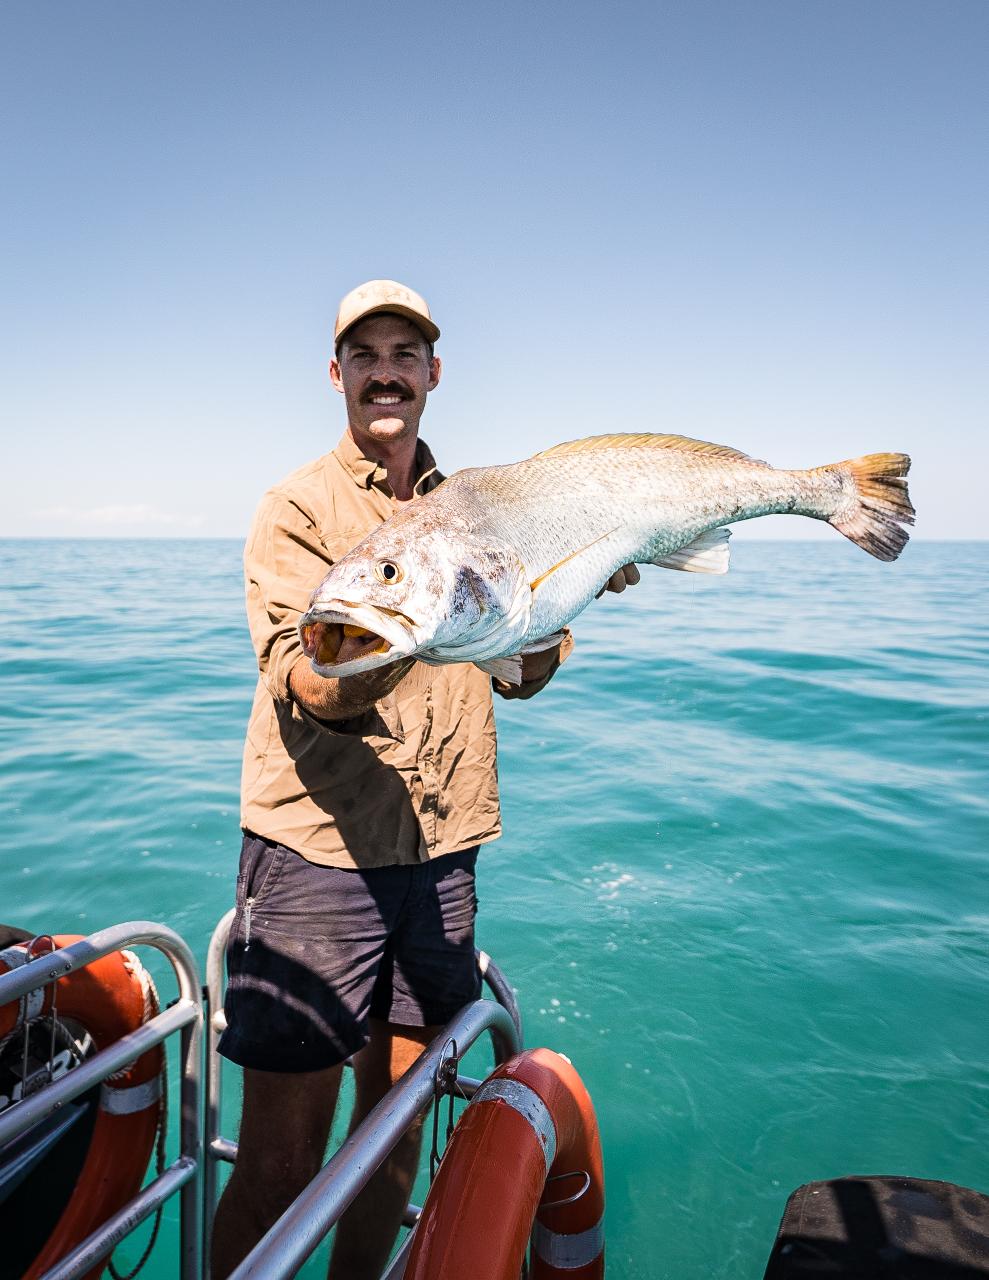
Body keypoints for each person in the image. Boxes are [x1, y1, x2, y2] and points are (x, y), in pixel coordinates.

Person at [211, 280, 637, 1279]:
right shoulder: (297, 508)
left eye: (406, 352)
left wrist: (559, 600)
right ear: (338, 376)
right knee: (279, 1158)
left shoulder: (479, 504)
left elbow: (522, 665)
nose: (387, 371)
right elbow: (305, 677)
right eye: (366, 355)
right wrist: (412, 616)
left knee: (396, 1138)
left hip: (443, 857)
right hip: (320, 859)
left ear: (433, 373)